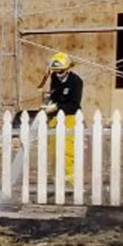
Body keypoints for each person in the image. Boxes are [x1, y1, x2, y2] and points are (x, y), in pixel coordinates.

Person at [43, 52, 83, 181]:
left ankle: (71, 180)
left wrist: (57, 106)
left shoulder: (76, 82)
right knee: (53, 149)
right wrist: (49, 103)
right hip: (56, 117)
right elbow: (54, 94)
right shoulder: (54, 78)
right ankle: (56, 177)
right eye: (55, 71)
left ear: (67, 69)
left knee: (68, 150)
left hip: (70, 116)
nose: (58, 74)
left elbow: (74, 104)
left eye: (61, 71)